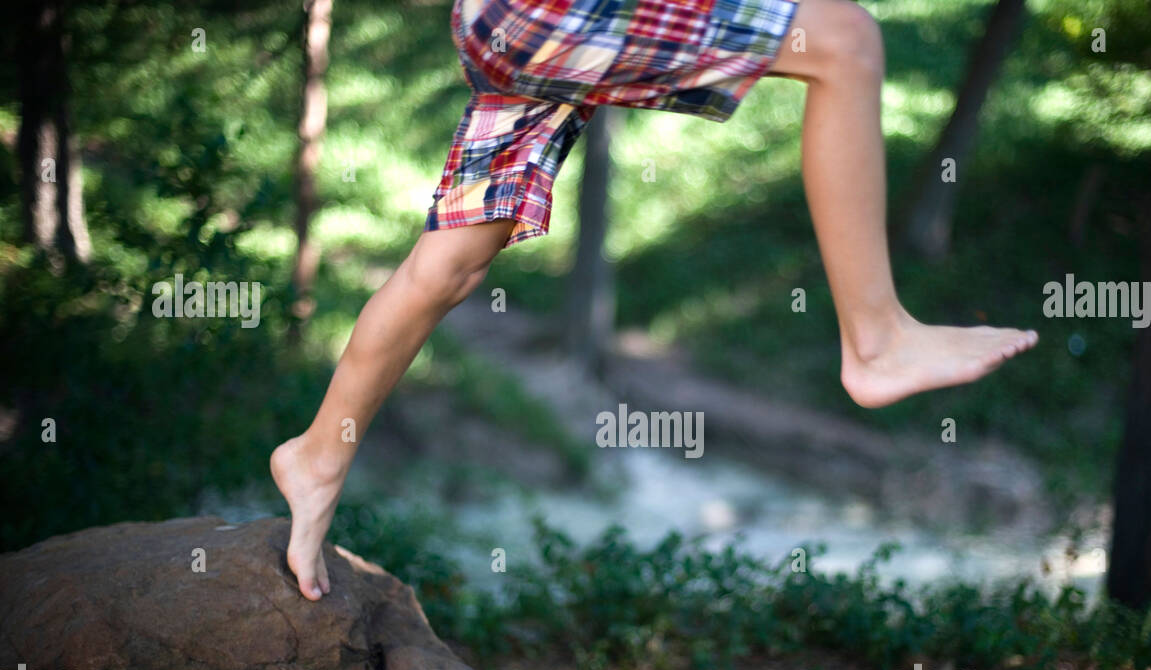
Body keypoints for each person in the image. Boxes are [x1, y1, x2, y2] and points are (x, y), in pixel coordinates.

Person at [272, 0, 1039, 601]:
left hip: (504, 19)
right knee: (845, 42)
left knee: (450, 265)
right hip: (551, 11)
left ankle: (317, 456)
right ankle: (877, 342)